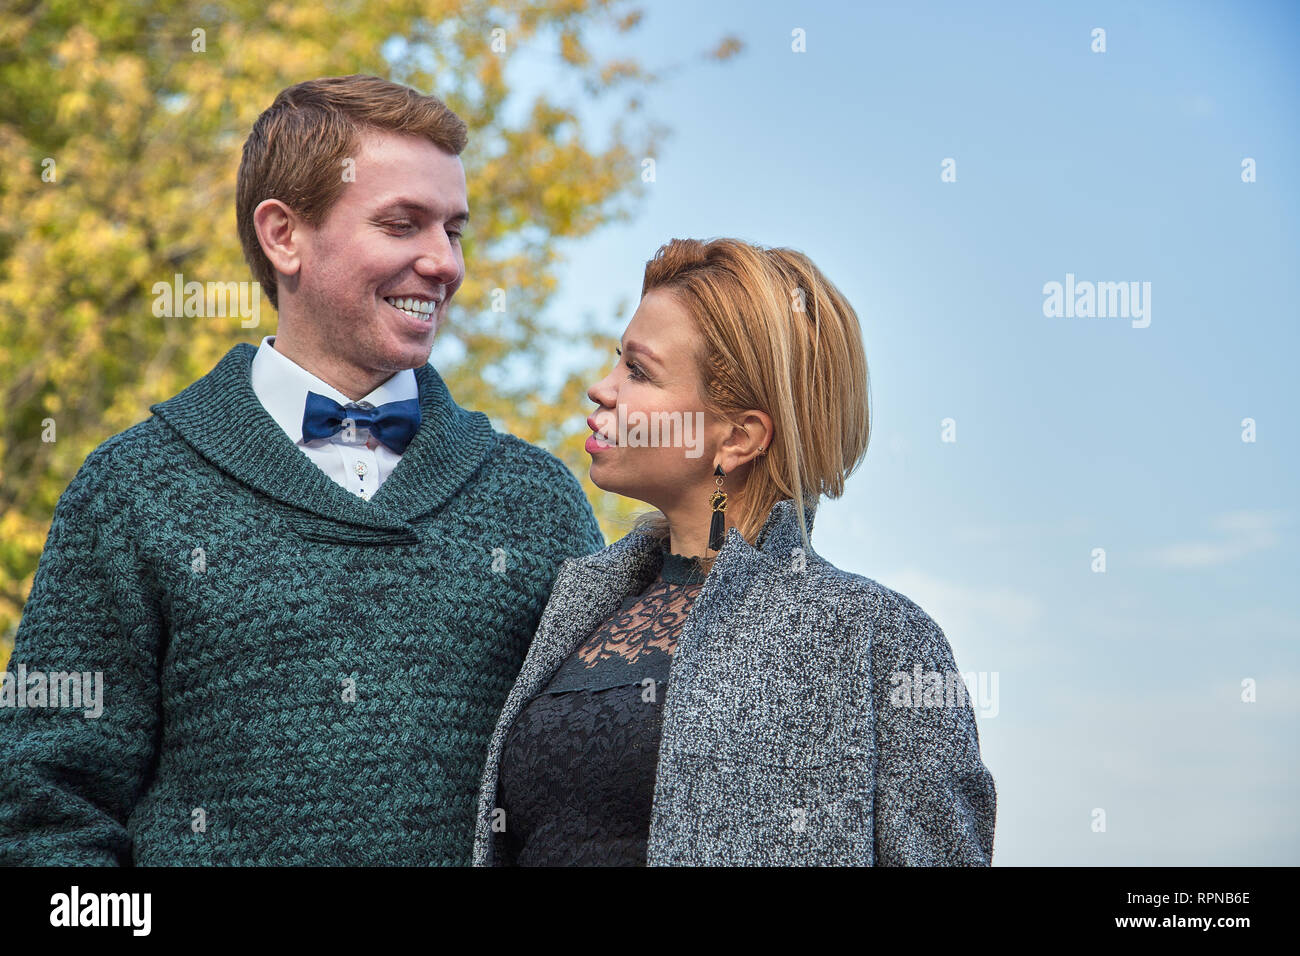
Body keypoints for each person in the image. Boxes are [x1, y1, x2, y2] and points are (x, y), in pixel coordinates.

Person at [0, 75, 603, 865]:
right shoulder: (132, 489)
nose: (443, 263)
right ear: (284, 235)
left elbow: (593, 804)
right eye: (402, 224)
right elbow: (42, 810)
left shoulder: (538, 502)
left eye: (454, 231)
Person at [472, 237, 997, 865]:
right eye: (618, 362)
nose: (600, 389)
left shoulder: (876, 636)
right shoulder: (577, 607)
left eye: (638, 371)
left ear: (738, 438)